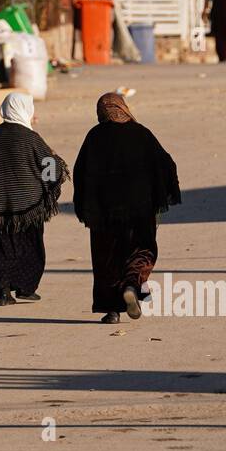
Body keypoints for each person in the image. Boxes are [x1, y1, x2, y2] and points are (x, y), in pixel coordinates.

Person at [73, 93, 181, 324]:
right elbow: (166, 164)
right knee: (142, 252)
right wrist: (159, 193)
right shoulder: (141, 133)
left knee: (107, 260)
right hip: (140, 211)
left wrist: (84, 206)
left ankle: (112, 311)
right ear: (124, 108)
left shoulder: (94, 136)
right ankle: (132, 284)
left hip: (103, 214)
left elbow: (80, 173)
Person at [0, 92, 69, 306]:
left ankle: (3, 292)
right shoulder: (31, 138)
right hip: (28, 206)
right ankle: (25, 288)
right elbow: (50, 167)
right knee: (29, 247)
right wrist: (52, 176)